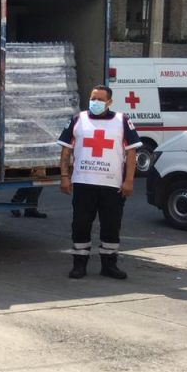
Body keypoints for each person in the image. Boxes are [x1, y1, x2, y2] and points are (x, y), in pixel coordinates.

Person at [58, 85, 141, 280]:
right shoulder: (79, 120)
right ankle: (79, 265)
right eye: (93, 97)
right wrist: (64, 176)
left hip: (112, 185)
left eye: (100, 99)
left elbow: (131, 153)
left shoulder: (122, 121)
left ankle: (109, 265)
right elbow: (66, 151)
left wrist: (129, 180)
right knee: (80, 224)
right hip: (83, 182)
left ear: (109, 102)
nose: (95, 102)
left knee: (111, 226)